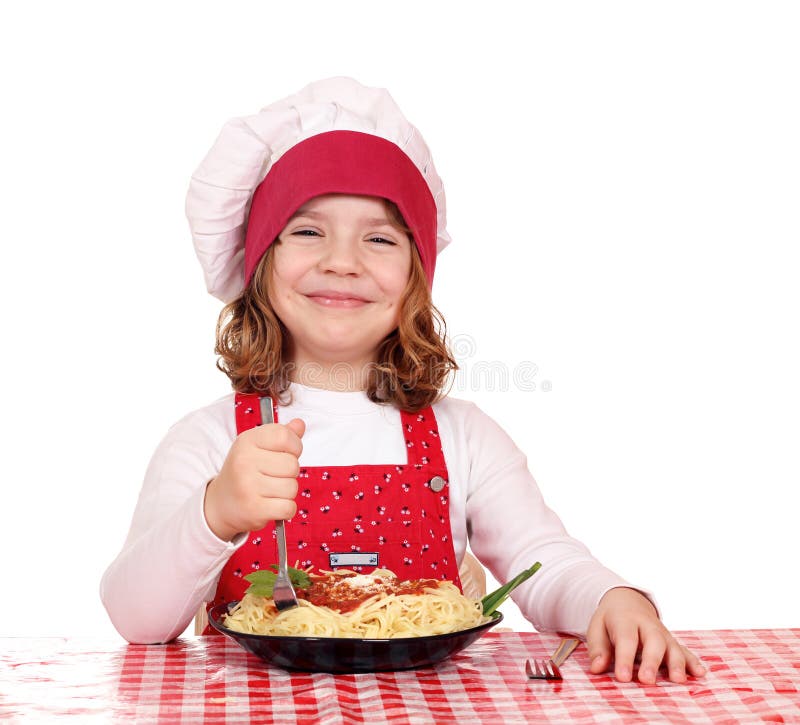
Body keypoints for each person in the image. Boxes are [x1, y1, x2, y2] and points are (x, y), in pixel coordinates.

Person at [101, 77, 705, 685]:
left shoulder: (463, 436)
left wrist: (612, 597)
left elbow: (541, 561)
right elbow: (136, 618)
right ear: (260, 262)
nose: (343, 260)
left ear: (416, 278)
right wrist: (216, 511)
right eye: (308, 231)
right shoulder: (206, 442)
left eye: (380, 238)